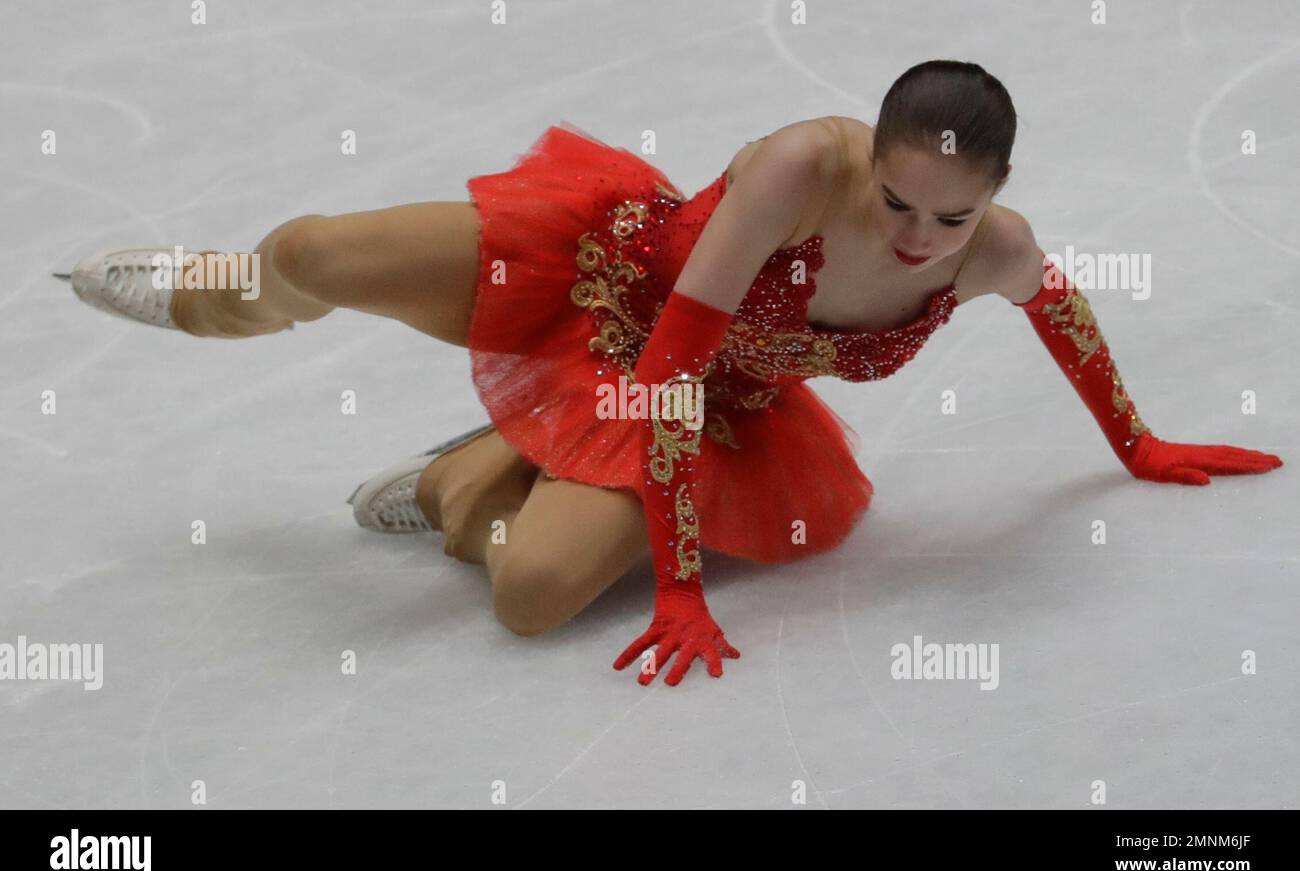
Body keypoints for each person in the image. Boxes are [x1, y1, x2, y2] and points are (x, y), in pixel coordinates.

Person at [61, 60, 1283, 688]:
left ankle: (463, 480)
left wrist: (1139, 446)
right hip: (601, 286)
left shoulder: (995, 255)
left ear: (997, 199)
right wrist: (680, 581)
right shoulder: (801, 171)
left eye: (950, 220)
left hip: (696, 400)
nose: (916, 237)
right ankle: (204, 298)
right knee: (315, 251)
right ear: (868, 156)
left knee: (531, 594)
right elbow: (671, 364)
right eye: (896, 199)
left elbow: (1067, 323)